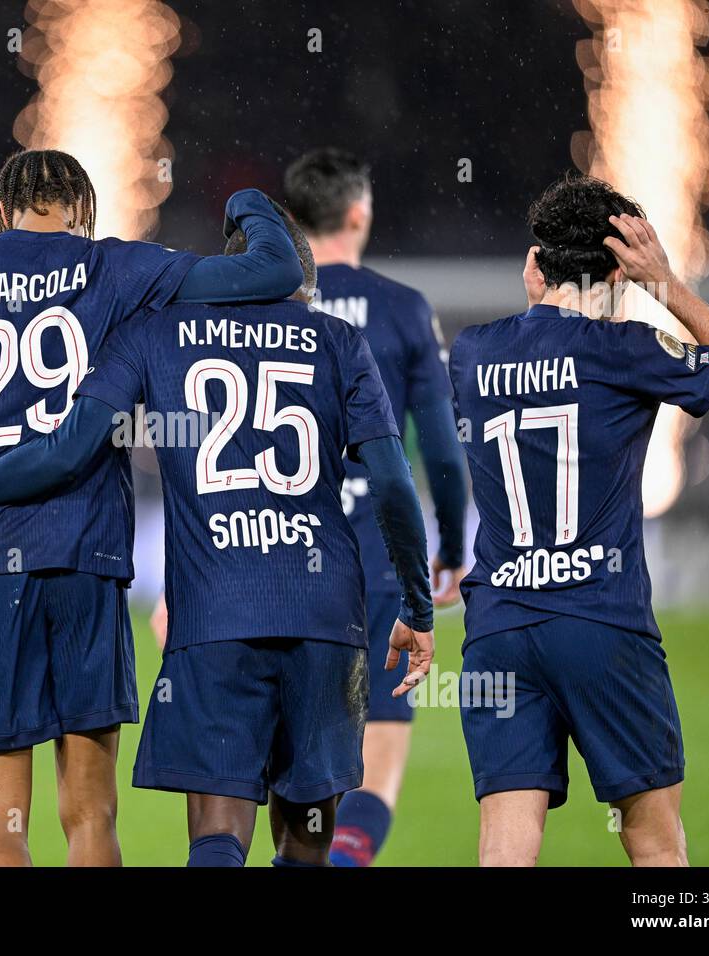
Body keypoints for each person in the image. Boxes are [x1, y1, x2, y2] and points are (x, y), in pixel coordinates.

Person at [0, 207, 436, 866]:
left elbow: (64, 451)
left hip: (214, 617)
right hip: (324, 617)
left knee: (216, 836)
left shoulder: (156, 335)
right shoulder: (338, 340)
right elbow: (393, 482)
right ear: (306, 284)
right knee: (307, 846)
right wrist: (415, 606)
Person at [449, 172, 709, 866]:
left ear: (534, 266)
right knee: (654, 842)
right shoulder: (626, 350)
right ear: (622, 274)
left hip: (499, 625)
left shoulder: (473, 354)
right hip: (600, 621)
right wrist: (666, 286)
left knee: (504, 851)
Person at [282, 146, 469, 866]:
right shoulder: (401, 309)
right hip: (376, 563)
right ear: (358, 213)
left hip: (277, 558)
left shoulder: (265, 307)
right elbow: (443, 454)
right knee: (376, 768)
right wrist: (451, 547)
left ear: (293, 221)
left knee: (294, 773)